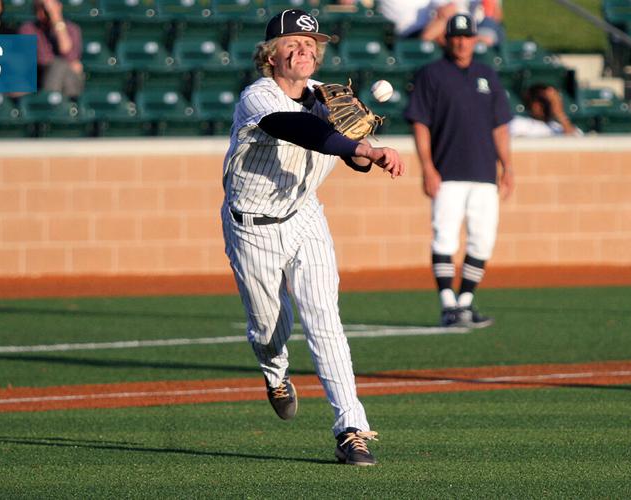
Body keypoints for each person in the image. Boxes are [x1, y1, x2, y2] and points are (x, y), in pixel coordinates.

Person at [221, 9, 405, 466]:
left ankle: (352, 429)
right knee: (269, 328)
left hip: (305, 218)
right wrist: (361, 145)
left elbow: (352, 160)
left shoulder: (329, 97)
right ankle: (275, 371)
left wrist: (366, 152)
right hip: (253, 226)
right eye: (293, 43)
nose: (305, 49)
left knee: (325, 320)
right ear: (270, 55)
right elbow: (298, 128)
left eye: (311, 44)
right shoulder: (257, 97)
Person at [404, 13, 513, 328]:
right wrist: (427, 167)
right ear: (446, 39)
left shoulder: (487, 75)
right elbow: (420, 124)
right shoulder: (431, 74)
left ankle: (464, 302)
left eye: (468, 37)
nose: (462, 42)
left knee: (482, 240)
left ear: (475, 39)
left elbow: (500, 128)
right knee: (445, 239)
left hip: (483, 174)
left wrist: (508, 167)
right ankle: (447, 304)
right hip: (447, 171)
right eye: (456, 37)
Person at [18, 0, 84, 99]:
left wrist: (56, 19)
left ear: (59, 7)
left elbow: (69, 53)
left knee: (61, 67)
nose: (45, 11)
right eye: (41, 7)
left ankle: (49, 104)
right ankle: (61, 108)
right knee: (60, 65)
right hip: (40, 76)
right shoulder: (28, 29)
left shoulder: (72, 28)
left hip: (68, 79)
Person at [510, 84, 582, 137]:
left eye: (547, 102)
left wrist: (560, 113)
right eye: (541, 101)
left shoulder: (557, 127)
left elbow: (578, 142)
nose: (544, 106)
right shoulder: (519, 123)